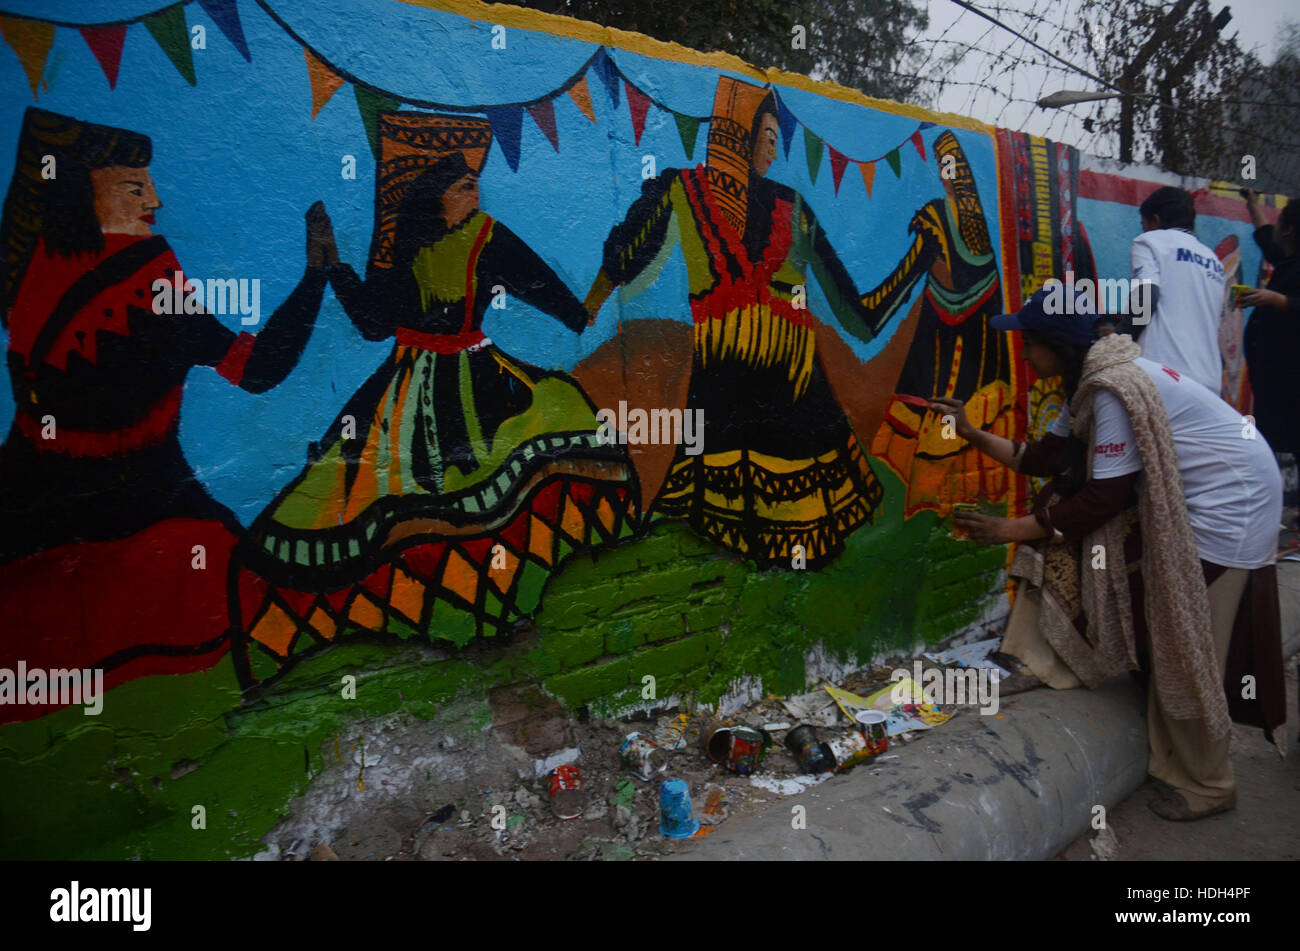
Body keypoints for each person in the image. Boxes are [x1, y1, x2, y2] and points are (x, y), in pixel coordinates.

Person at [231, 113, 637, 687]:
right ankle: (419, 621)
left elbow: (558, 301)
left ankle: (499, 610)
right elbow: (374, 324)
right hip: (408, 386)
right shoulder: (407, 248)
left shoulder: (489, 236)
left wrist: (603, 283)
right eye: (464, 185)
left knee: (546, 440)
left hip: (478, 378)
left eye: (474, 183)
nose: (476, 191)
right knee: (363, 492)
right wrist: (331, 270)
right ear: (435, 199)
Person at [586, 76, 999, 567]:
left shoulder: (793, 209)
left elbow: (860, 317)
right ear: (736, 138)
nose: (771, 149)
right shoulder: (681, 190)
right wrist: (582, 315)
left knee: (803, 559)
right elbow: (620, 258)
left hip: (804, 428)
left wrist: (917, 258)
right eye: (764, 137)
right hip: (722, 419)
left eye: (774, 138)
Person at [0, 107, 332, 716]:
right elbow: (254, 370)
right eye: (134, 186)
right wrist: (314, 279)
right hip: (143, 505)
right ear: (80, 193)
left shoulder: (29, 271)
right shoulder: (142, 276)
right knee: (241, 595)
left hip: (29, 502)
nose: (154, 198)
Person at [930, 286, 1286, 821]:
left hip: (1230, 506)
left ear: (1057, 344)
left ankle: (1208, 784)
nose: (1023, 355)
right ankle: (1069, 664)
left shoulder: (1109, 392)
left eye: (1030, 344)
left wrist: (1010, 530)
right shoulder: (1087, 385)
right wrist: (970, 431)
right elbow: (1045, 460)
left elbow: (1102, 499)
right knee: (1059, 510)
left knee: (1186, 647)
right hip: (1203, 494)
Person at [1128, 185, 1227, 391]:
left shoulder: (1149, 241)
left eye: (1143, 224)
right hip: (1209, 382)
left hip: (1163, 374)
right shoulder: (1214, 261)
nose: (1143, 230)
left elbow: (1146, 298)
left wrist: (1118, 338)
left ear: (1155, 220)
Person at [1239, 190, 1299, 459]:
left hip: (1289, 390)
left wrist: (1277, 300)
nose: (1273, 225)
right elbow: (1265, 236)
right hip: (1271, 385)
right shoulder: (1288, 261)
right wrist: (1252, 203)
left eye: (1279, 221)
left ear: (1288, 230)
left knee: (1283, 451)